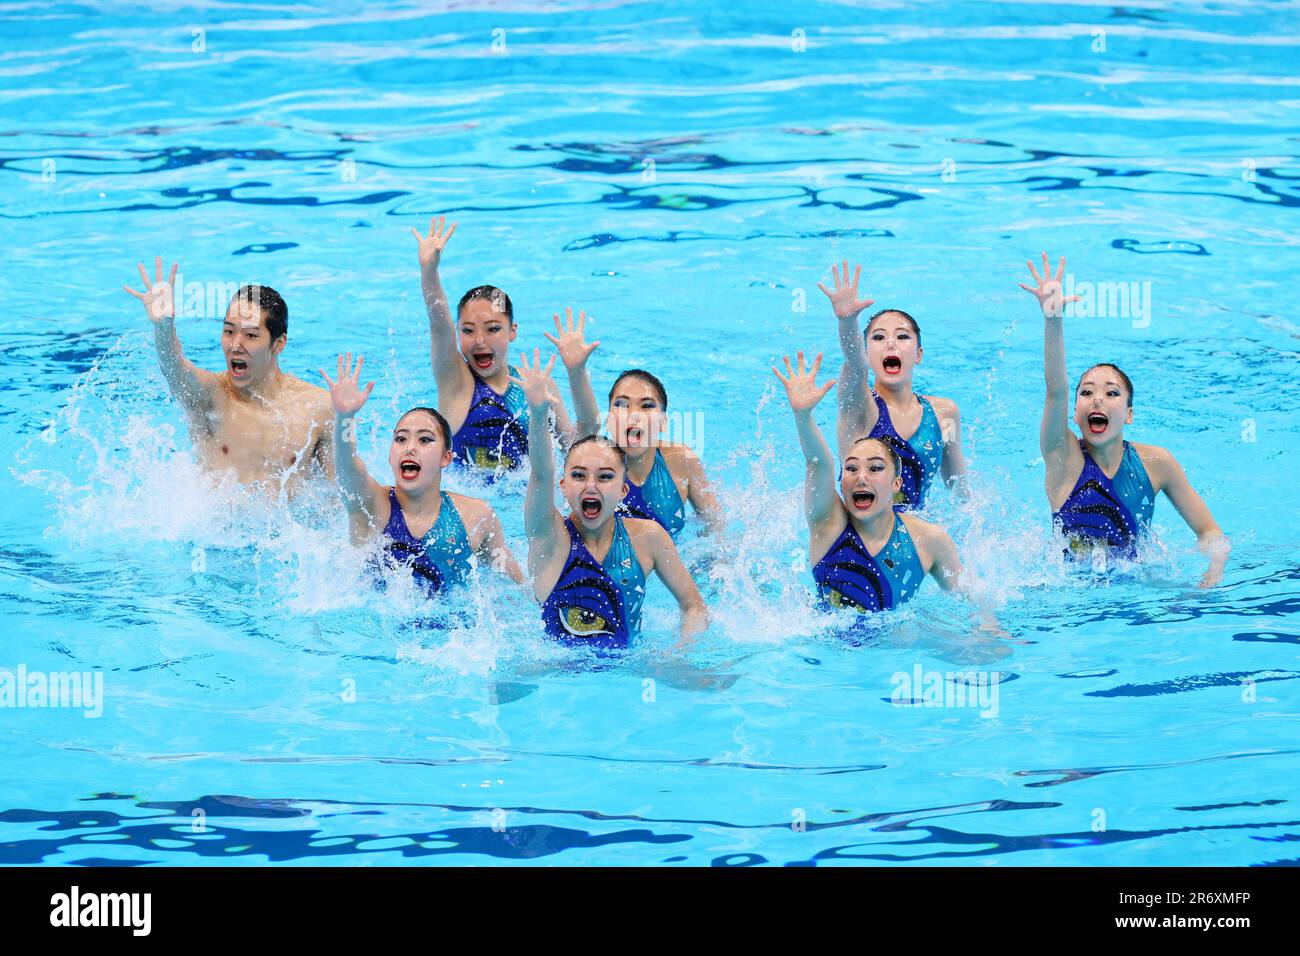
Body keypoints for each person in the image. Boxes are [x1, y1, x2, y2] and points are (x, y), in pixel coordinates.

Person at [1022, 252, 1229, 587]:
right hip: (1068, 594)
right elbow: (1055, 390)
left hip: (1137, 588)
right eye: (1086, 393)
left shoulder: (1157, 463)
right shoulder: (1062, 457)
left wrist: (1211, 574)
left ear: (1129, 415)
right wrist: (1053, 318)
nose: (1097, 399)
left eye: (1112, 393)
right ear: (1075, 413)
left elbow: (1210, 533)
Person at [517, 349, 708, 649]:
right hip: (556, 679)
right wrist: (540, 414)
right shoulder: (548, 538)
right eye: (579, 476)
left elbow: (695, 606)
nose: (591, 485)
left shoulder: (649, 538)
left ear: (623, 490)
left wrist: (676, 655)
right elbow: (541, 472)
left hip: (629, 676)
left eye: (605, 477)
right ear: (563, 487)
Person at [773, 351, 966, 613]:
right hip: (827, 651)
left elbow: (971, 600)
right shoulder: (828, 525)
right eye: (851, 468)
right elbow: (818, 462)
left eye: (875, 468)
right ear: (842, 483)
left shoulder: (928, 539)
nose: (861, 477)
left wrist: (988, 632)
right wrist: (803, 416)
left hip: (899, 647)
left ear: (896, 484)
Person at [124, 257, 332, 496]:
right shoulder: (211, 397)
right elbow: (174, 369)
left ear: (279, 343)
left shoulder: (319, 408)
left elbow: (341, 500)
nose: (235, 345)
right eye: (229, 331)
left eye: (251, 336)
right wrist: (163, 327)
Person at [320, 352, 523, 594]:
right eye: (400, 439)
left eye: (425, 439)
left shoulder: (477, 517)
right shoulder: (373, 508)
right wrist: (345, 417)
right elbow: (347, 467)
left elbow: (514, 586)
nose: (410, 447)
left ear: (446, 457)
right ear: (390, 455)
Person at [545, 308, 723, 536]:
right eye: (622, 404)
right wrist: (576, 370)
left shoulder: (681, 461)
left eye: (647, 405)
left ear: (663, 422)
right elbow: (588, 421)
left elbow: (715, 526)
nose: (633, 414)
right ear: (609, 420)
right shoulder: (593, 458)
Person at [413, 218, 571, 472]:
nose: (479, 340)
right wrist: (429, 271)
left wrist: (576, 371)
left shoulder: (539, 386)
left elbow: (575, 451)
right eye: (467, 330)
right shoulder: (456, 382)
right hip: (471, 507)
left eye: (493, 329)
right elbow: (438, 325)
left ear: (512, 331)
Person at [819, 260, 966, 510]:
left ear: (918, 354)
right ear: (867, 352)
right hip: (859, 539)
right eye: (878, 337)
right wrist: (847, 322)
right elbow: (854, 364)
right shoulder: (859, 407)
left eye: (902, 336)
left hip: (914, 536)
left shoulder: (945, 414)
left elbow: (958, 484)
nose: (890, 343)